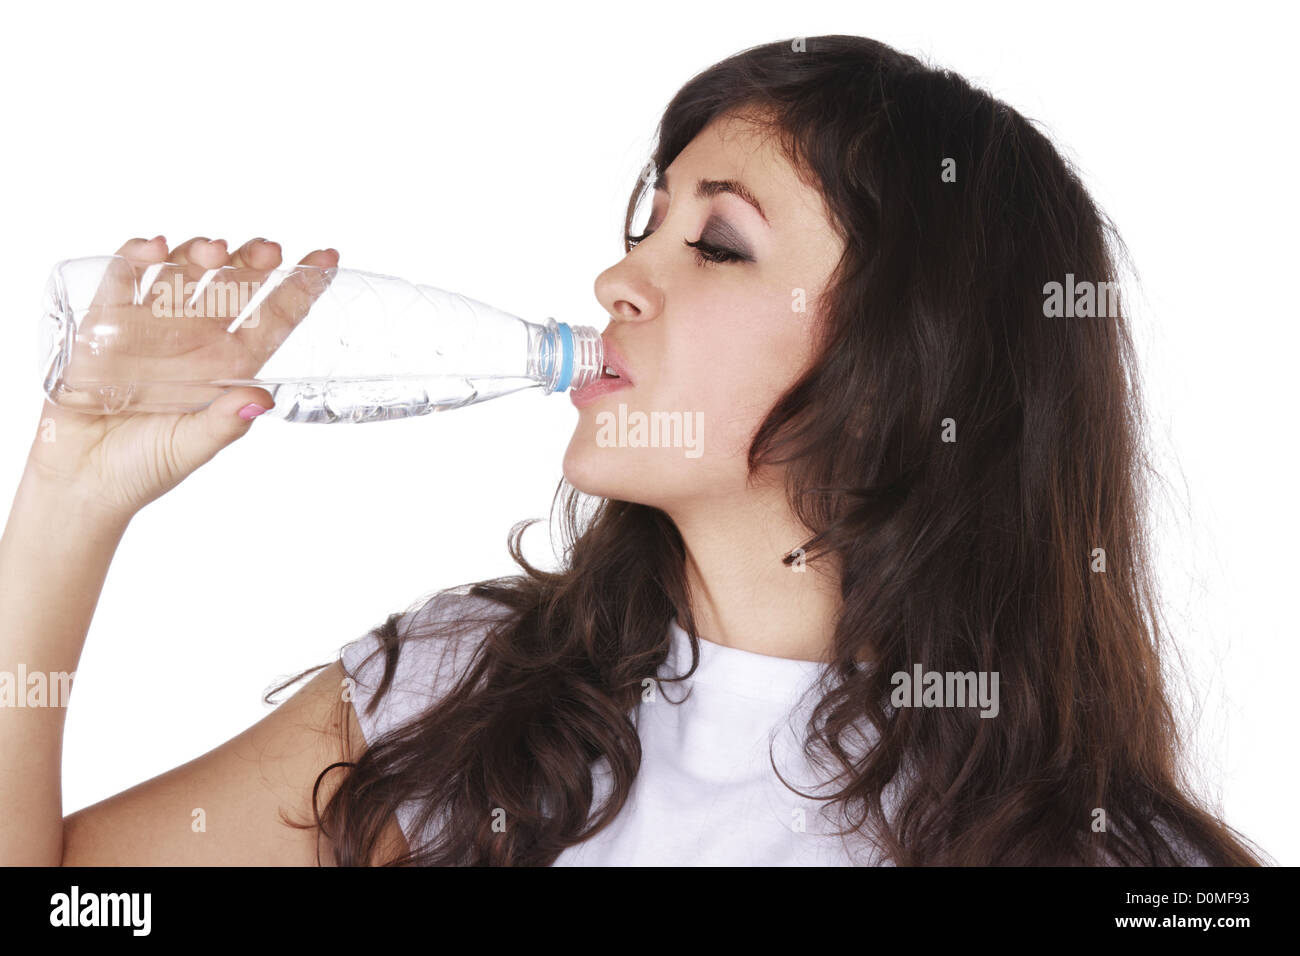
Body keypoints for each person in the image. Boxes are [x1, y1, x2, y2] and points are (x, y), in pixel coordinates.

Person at [0, 35, 1265, 866]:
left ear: (908, 363)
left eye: (715, 244)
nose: (616, 280)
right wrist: (70, 492)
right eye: (643, 226)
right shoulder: (453, 696)